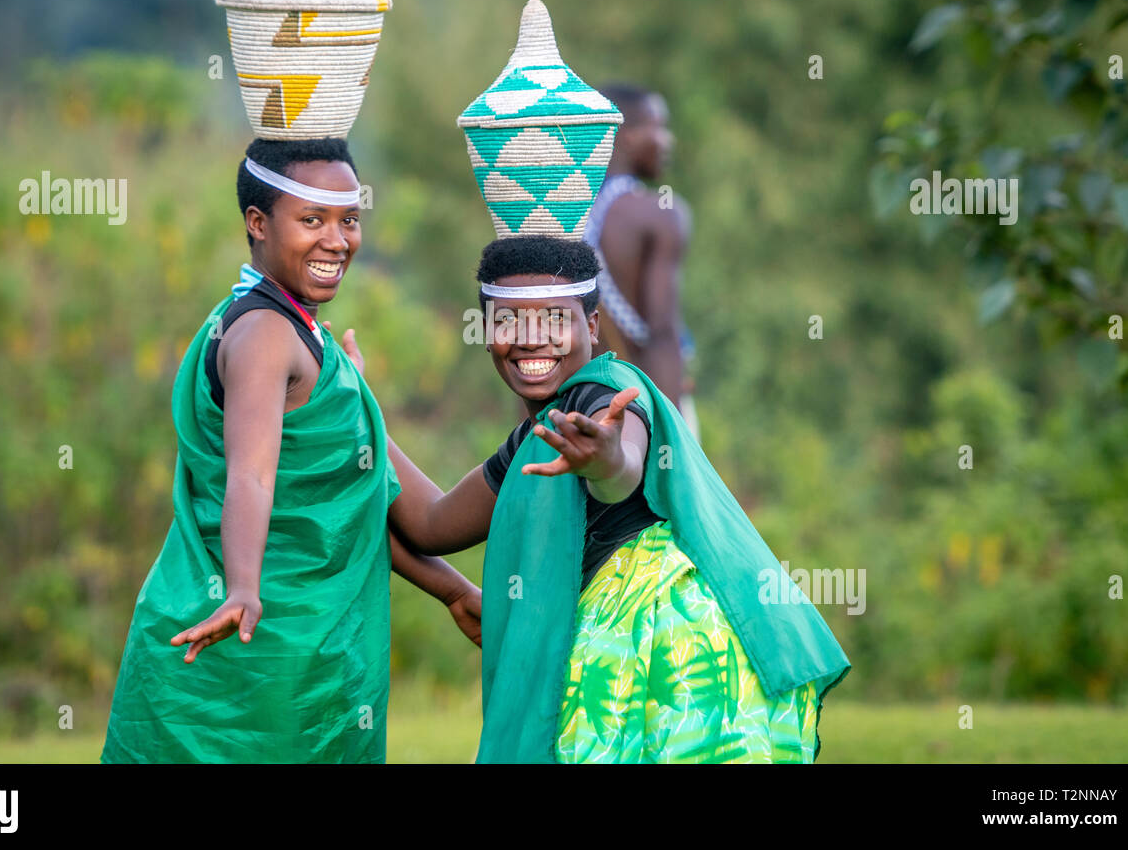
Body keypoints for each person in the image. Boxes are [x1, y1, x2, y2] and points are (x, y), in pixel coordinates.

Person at [361, 234, 850, 763]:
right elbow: (430, 523)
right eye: (507, 321)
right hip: (611, 643)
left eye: (554, 318)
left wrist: (605, 460)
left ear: (590, 327)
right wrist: (357, 408)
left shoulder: (606, 393)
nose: (530, 339)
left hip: (672, 648)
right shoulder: (535, 442)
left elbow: (624, 466)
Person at [101, 138, 481, 764]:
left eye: (349, 219)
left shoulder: (299, 338)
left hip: (303, 652)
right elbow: (250, 480)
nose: (338, 240)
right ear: (257, 223)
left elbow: (343, 510)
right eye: (312, 220)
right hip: (249, 650)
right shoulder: (265, 335)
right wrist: (244, 587)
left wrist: (453, 592)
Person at [586, 83, 700, 436]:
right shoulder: (659, 214)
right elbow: (662, 335)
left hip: (578, 408)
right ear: (625, 135)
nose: (668, 141)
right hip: (644, 410)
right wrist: (673, 441)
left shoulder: (562, 216)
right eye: (658, 126)